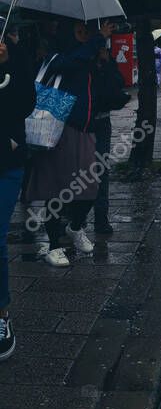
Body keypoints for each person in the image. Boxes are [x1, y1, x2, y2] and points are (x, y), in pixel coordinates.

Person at [26, 19, 114, 266]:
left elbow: (112, 88)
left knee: (89, 187)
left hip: (84, 130)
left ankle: (75, 227)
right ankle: (54, 244)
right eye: (78, 31)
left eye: (86, 30)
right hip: (55, 131)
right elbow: (70, 63)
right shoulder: (56, 57)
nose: (85, 34)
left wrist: (104, 59)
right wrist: (97, 39)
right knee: (56, 190)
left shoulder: (90, 58)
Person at [0, 19, 36, 359]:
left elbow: (25, 103)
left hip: (5, 163)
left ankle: (1, 314)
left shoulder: (13, 52)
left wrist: (6, 66)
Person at [92, 40, 131, 235]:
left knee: (101, 168)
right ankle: (75, 217)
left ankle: (101, 218)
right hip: (82, 122)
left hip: (102, 121)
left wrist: (107, 63)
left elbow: (118, 84)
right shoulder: (82, 61)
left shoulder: (108, 62)